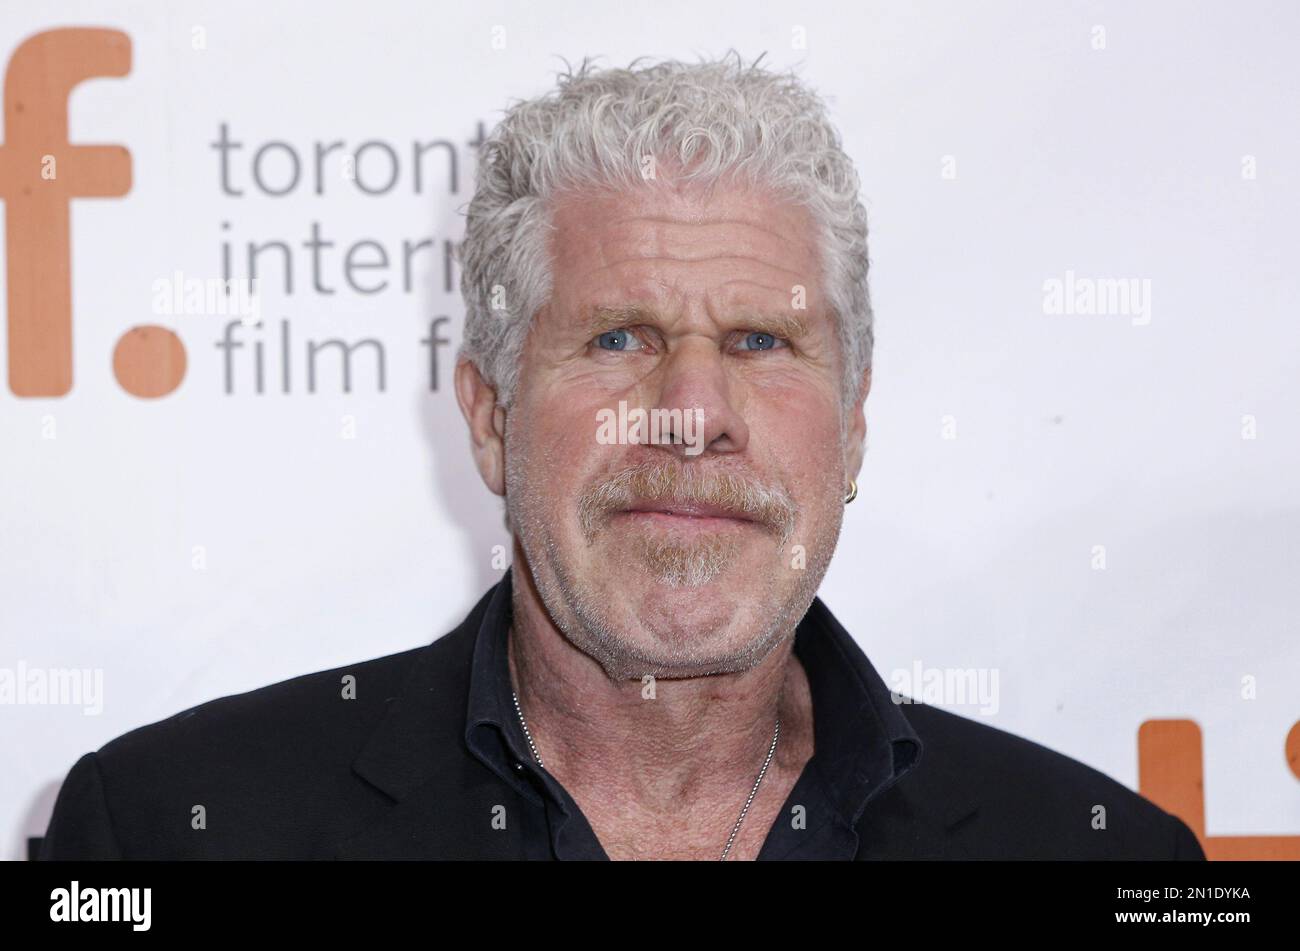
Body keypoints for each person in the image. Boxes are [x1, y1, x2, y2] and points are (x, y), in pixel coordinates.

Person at [39, 53, 1205, 861]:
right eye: (617, 338)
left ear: (851, 426)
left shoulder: (1101, 853)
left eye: (761, 339)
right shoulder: (166, 829)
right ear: (491, 419)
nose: (691, 412)